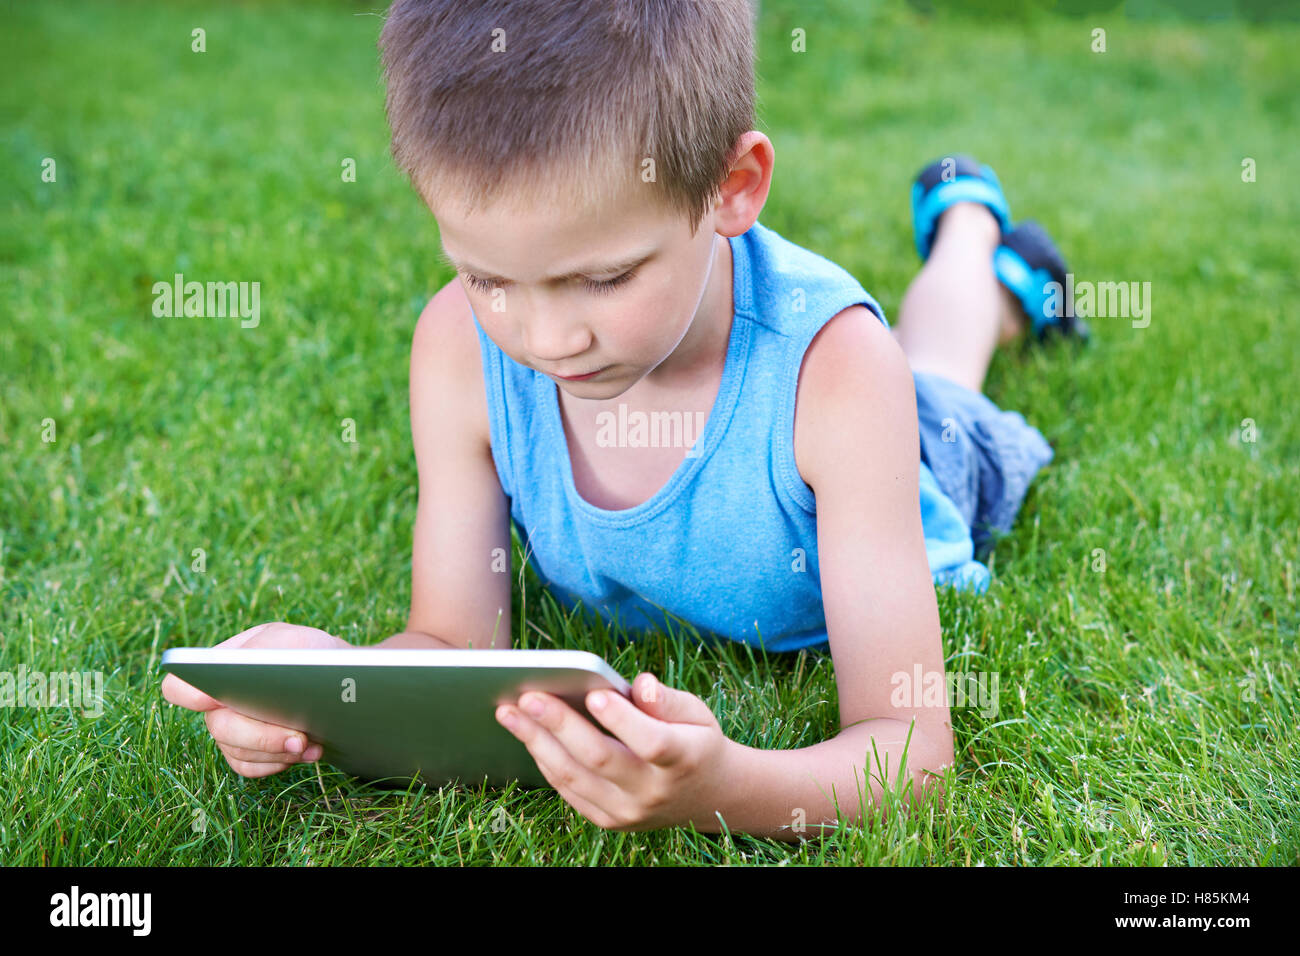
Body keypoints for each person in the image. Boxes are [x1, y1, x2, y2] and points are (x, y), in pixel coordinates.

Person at [162, 0, 1084, 841]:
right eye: (487, 277)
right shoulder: (458, 350)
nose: (549, 339)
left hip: (909, 445)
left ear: (732, 185)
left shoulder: (835, 380)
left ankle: (975, 240)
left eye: (602, 278)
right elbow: (451, 643)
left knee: (939, 378)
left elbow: (911, 759)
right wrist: (326, 682)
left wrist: (724, 786)